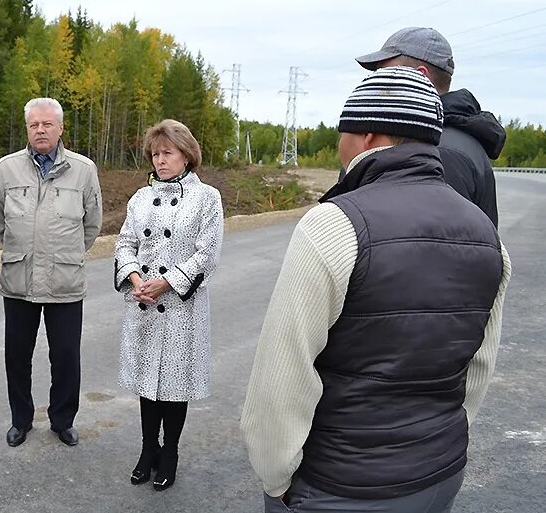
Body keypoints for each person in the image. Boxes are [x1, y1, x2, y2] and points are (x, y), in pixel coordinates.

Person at [241, 67, 511, 513]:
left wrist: (276, 478)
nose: (337, 145)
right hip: (439, 475)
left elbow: (281, 377)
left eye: (340, 132)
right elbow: (479, 367)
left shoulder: (333, 224)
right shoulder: (487, 235)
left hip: (341, 486)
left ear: (366, 136)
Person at [113, 119, 224, 492]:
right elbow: (124, 243)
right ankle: (148, 450)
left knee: (174, 383)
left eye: (168, 153)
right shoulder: (140, 198)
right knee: (148, 381)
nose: (160, 160)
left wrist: (167, 282)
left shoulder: (207, 198)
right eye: (156, 154)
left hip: (181, 307)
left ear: (186, 155)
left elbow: (207, 254)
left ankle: (170, 452)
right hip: (142, 302)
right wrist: (135, 280)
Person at [0, 97, 102, 448]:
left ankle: (62, 420)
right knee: (17, 355)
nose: (40, 130)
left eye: (47, 124)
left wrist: (63, 254)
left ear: (60, 128)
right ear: (27, 129)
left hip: (64, 282)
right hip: (19, 280)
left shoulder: (84, 170)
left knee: (66, 356)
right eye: (34, 125)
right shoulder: (6, 169)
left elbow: (92, 225)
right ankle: (20, 420)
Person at [356, 26, 506, 226]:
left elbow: (431, 246)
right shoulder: (454, 138)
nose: (375, 82)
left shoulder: (438, 150)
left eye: (385, 73)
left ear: (421, 76)